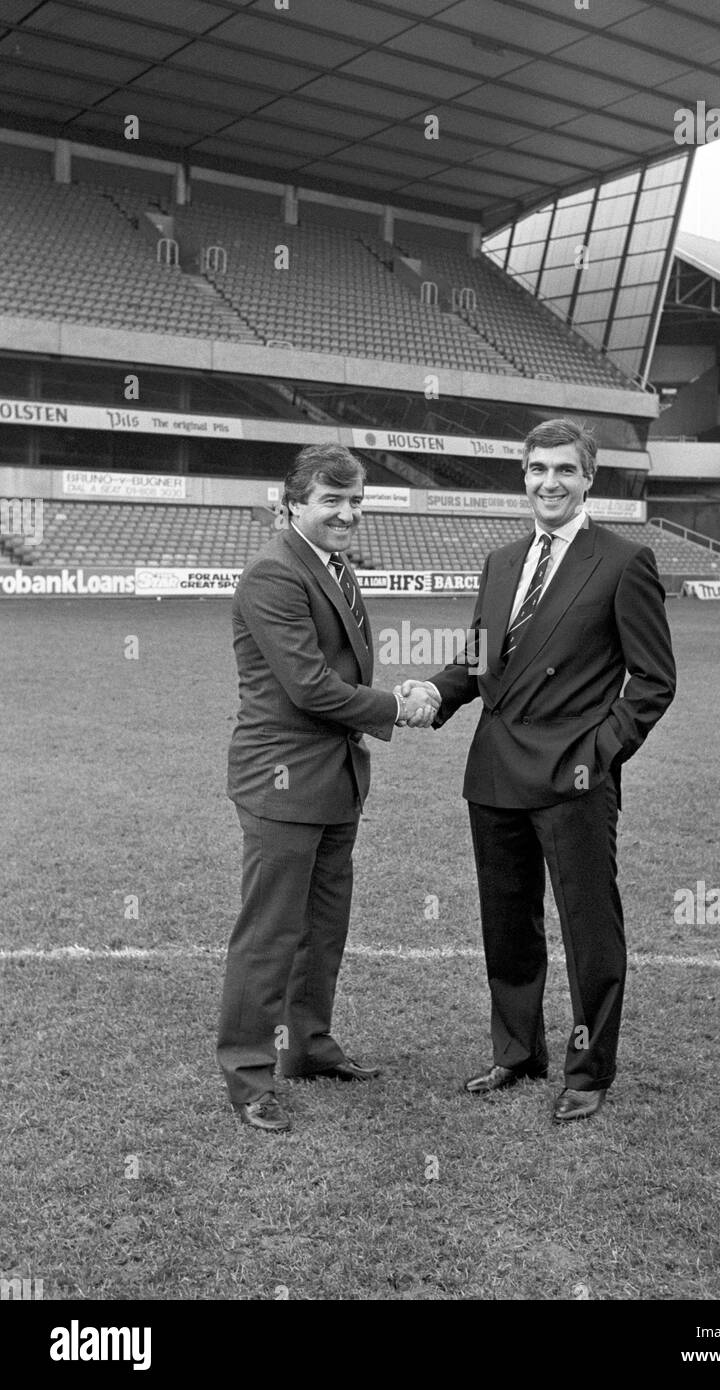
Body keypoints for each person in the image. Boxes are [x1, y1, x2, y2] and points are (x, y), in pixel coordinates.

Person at [402, 418, 676, 1124]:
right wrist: (436, 692)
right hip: (494, 770)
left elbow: (652, 682)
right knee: (508, 925)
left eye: (564, 470)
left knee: (589, 930)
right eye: (536, 469)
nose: (548, 482)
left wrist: (598, 753)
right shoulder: (501, 561)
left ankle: (589, 1069)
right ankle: (518, 1052)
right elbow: (480, 657)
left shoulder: (622, 561)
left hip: (574, 779)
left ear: (589, 479)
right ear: (522, 476)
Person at [217, 444, 435, 1132]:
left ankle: (307, 1048)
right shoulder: (274, 575)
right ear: (293, 506)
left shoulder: (330, 566)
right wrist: (396, 706)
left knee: (321, 931)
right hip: (283, 783)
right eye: (330, 501)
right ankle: (250, 1076)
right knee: (269, 936)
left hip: (335, 779)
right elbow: (309, 686)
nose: (347, 513)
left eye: (355, 500)